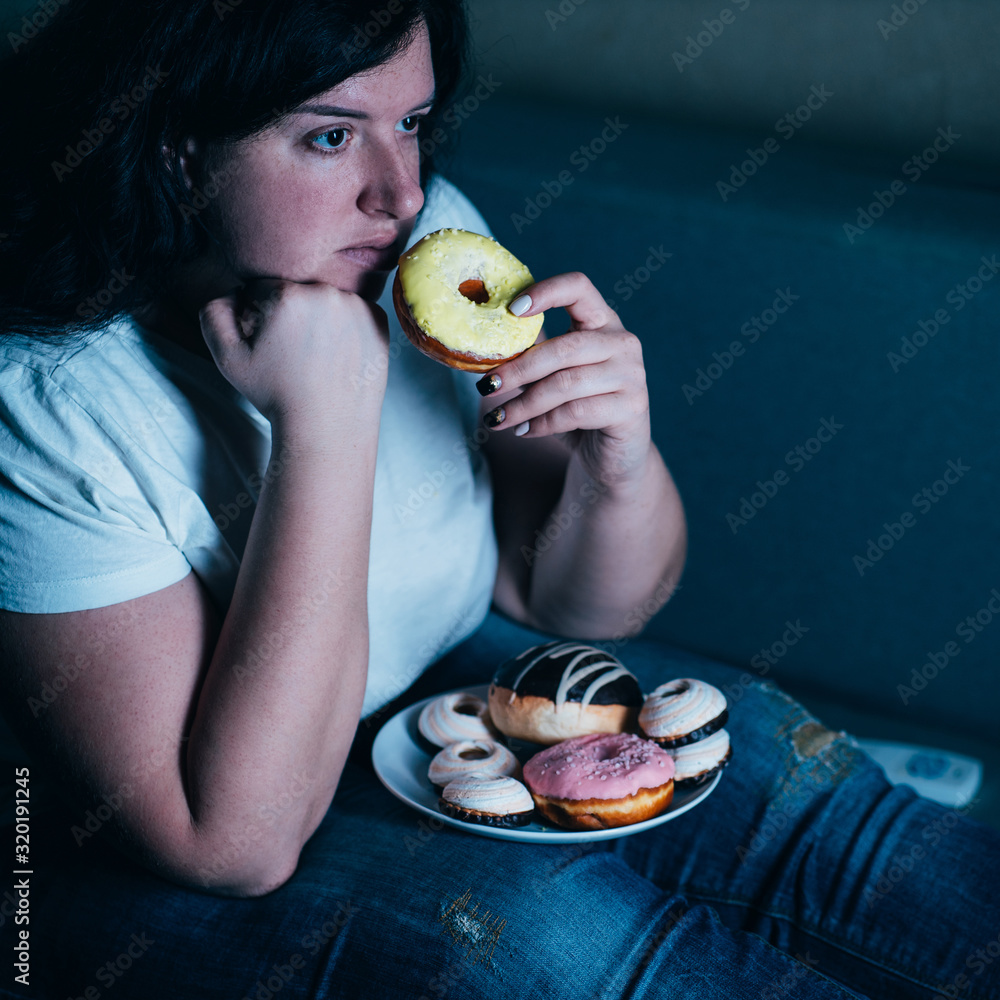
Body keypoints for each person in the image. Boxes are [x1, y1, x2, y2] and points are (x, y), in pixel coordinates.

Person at [0, 2, 996, 997]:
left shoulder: (422, 239)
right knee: (540, 934)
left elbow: (575, 607)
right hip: (176, 842)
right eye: (331, 135)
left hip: (442, 681)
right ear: (175, 151)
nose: (398, 193)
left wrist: (615, 458)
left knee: (780, 766)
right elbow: (235, 845)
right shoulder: (46, 407)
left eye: (414, 124)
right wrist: (325, 428)